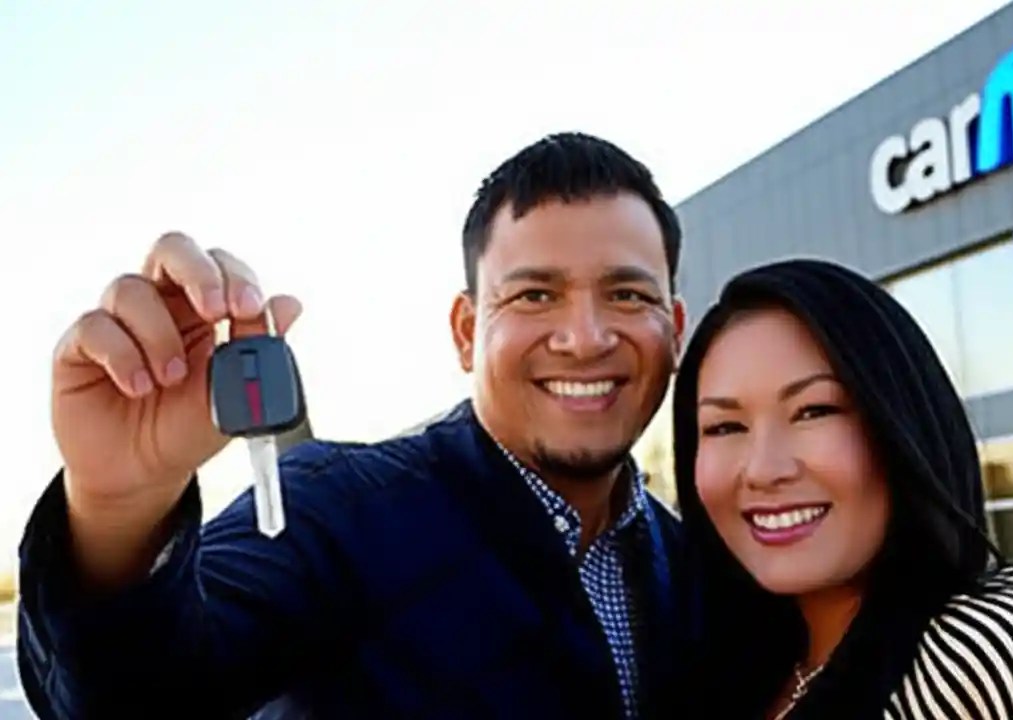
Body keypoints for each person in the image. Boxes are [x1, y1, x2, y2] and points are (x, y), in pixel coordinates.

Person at [17, 132, 695, 719]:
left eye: (628, 295)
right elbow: (137, 699)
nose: (583, 337)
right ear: (466, 332)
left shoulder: (703, 570)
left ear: (675, 328)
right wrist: (116, 505)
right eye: (535, 295)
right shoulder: (335, 512)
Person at [672, 258, 1013, 719]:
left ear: (899, 426)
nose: (762, 469)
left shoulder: (999, 649)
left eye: (815, 411)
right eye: (724, 427)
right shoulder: (721, 663)